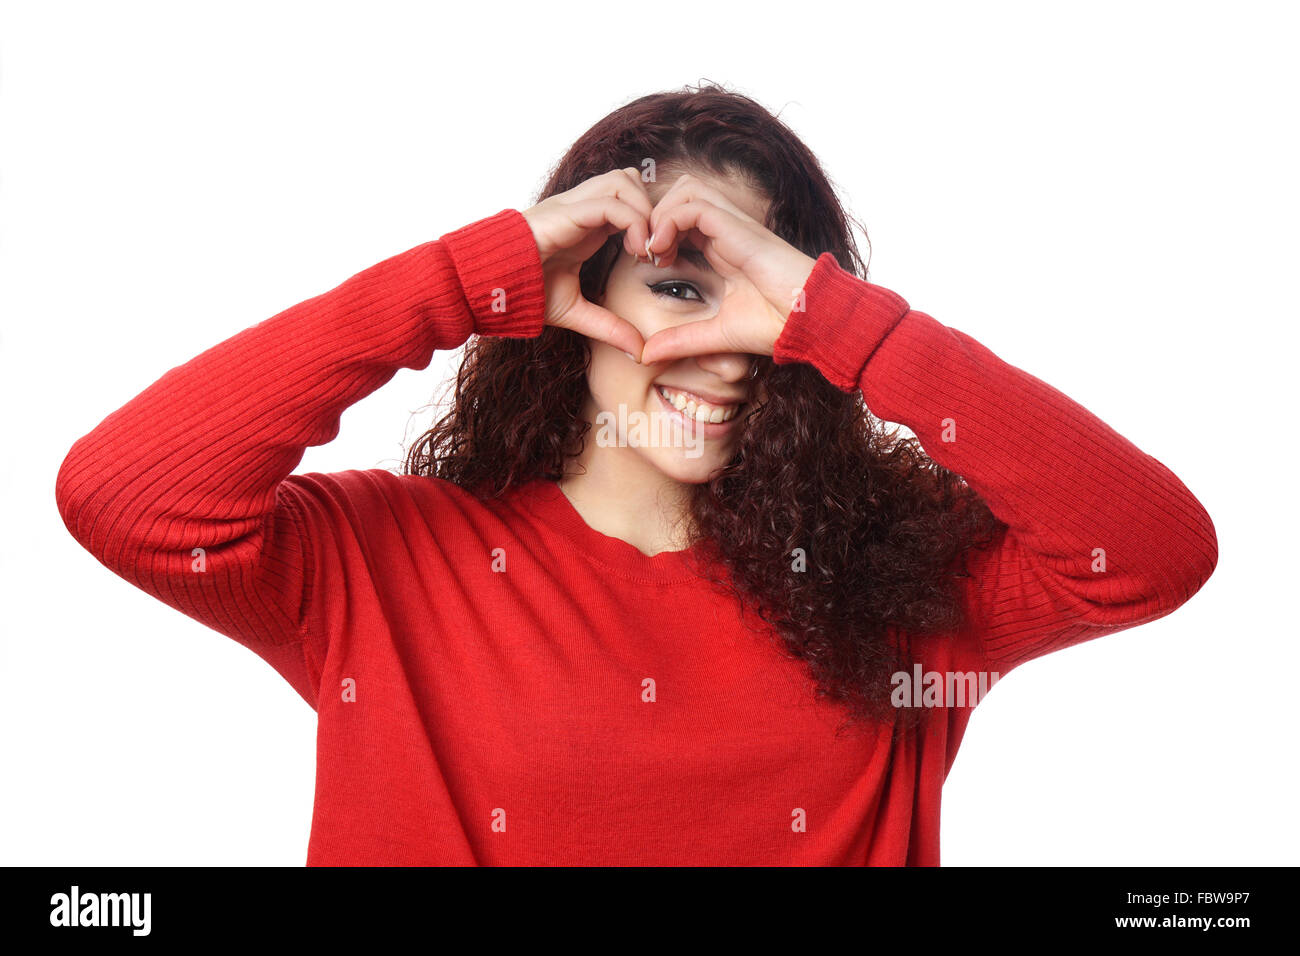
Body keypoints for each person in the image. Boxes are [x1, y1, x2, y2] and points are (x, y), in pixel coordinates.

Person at [54, 83, 1218, 865]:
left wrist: (844, 323)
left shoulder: (895, 582)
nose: (726, 346)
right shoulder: (381, 559)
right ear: (577, 295)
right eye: (677, 286)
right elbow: (127, 497)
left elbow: (1154, 551)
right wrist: (469, 278)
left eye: (766, 296)